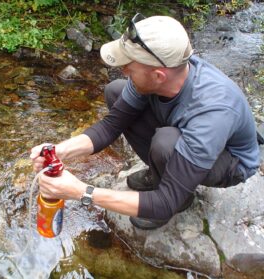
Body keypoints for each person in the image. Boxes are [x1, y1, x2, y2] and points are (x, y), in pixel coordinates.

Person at [30, 14, 260, 230]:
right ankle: (160, 172)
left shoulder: (213, 110)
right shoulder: (161, 72)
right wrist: (61, 151)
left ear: (158, 75)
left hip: (232, 162)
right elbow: (112, 126)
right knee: (116, 91)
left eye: (129, 68)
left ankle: (182, 195)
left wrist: (81, 191)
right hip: (184, 132)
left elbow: (165, 201)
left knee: (166, 143)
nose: (123, 71)